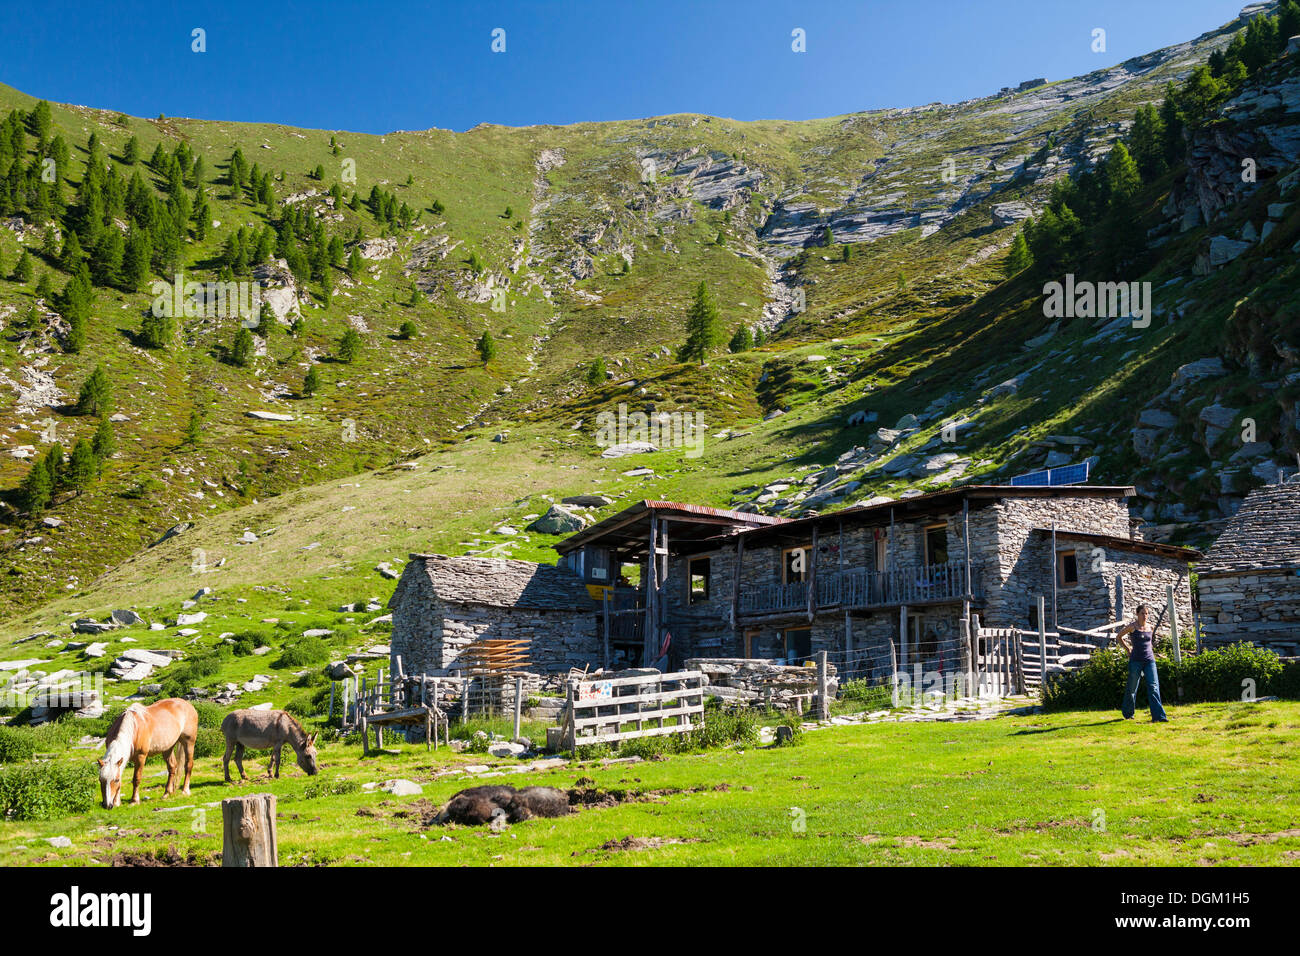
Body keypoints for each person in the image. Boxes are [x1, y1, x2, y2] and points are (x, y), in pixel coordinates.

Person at [1115, 604, 1168, 722]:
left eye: (1146, 613)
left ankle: (1159, 717)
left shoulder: (1150, 627)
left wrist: (1155, 653)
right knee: (1132, 687)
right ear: (1137, 614)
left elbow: (1149, 643)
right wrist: (1127, 649)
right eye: (1142, 613)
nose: (1145, 616)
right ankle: (1128, 714)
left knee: (1154, 687)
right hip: (1136, 661)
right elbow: (1119, 637)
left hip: (1149, 660)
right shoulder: (1132, 627)